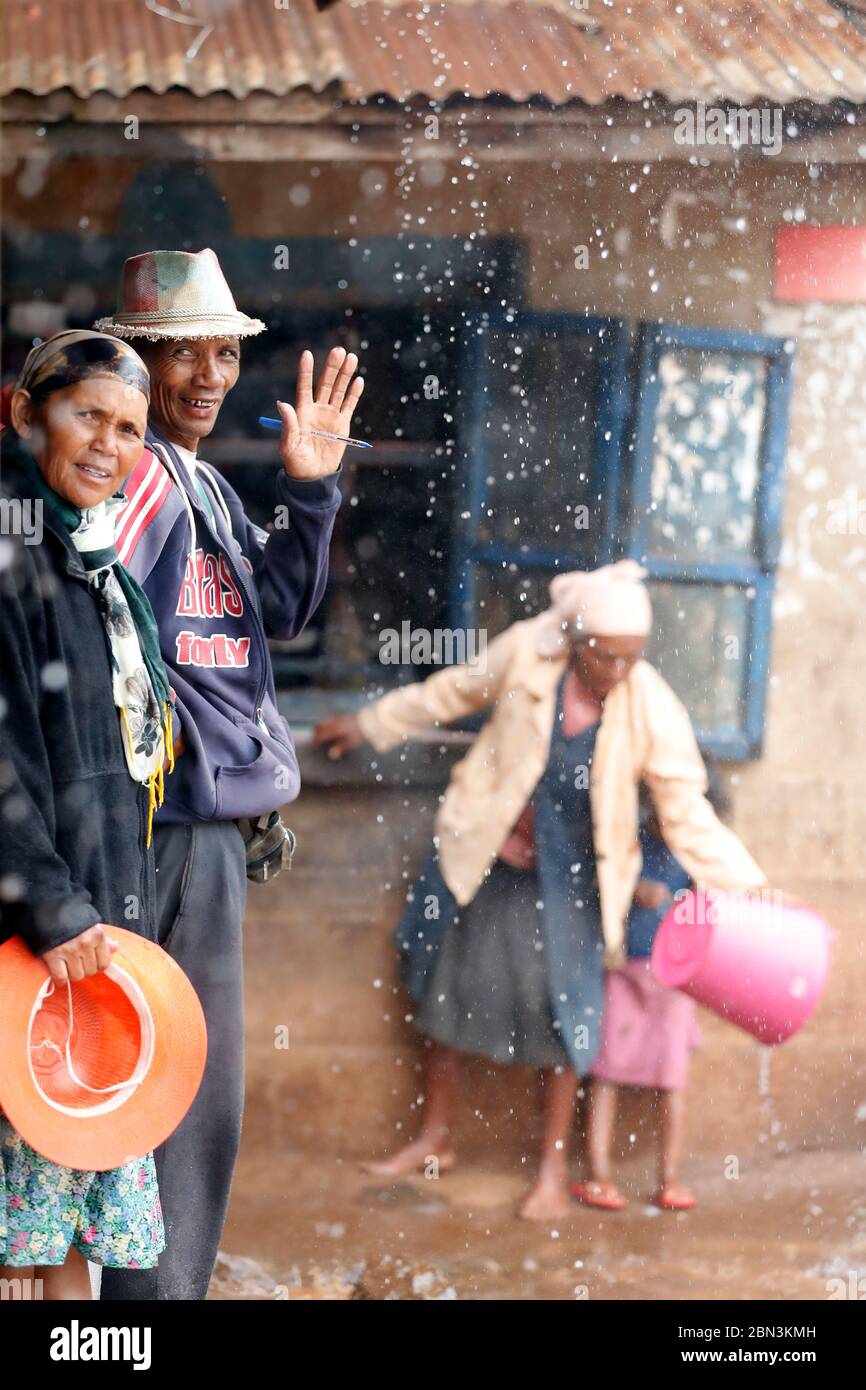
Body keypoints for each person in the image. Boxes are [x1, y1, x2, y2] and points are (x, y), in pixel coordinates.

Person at [314, 561, 768, 1221]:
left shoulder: (652, 706)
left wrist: (749, 887)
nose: (617, 672)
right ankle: (434, 1138)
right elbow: (453, 691)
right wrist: (370, 723)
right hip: (492, 852)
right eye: (606, 657)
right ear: (579, 642)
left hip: (578, 879)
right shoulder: (530, 653)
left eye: (630, 659)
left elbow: (688, 813)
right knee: (447, 984)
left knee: (568, 1015)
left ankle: (552, 1169)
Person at [93, 248, 364, 1300]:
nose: (207, 375)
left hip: (200, 841)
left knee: (178, 1083)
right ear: (134, 364)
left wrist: (311, 487)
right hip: (157, 827)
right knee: (172, 1089)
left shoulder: (197, 481)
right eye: (179, 355)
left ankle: (152, 1296)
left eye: (221, 352)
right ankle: (145, 1307)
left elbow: (280, 613)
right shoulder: (136, 478)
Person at [0, 331, 172, 1296]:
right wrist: (52, 904)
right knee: (20, 1252)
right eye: (87, 416)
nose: (109, 445)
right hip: (30, 941)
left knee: (66, 1241)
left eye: (129, 431)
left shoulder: (85, 556)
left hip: (80, 939)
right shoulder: (11, 549)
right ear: (26, 414)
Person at [575, 783, 722, 1213]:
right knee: (606, 1073)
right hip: (623, 971)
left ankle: (670, 1180)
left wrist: (687, 900)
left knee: (672, 1079)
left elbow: (713, 911)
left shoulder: (698, 855)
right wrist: (631, 892)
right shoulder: (629, 843)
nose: (667, 817)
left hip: (675, 984)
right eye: (660, 807)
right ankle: (598, 1175)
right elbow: (600, 882)